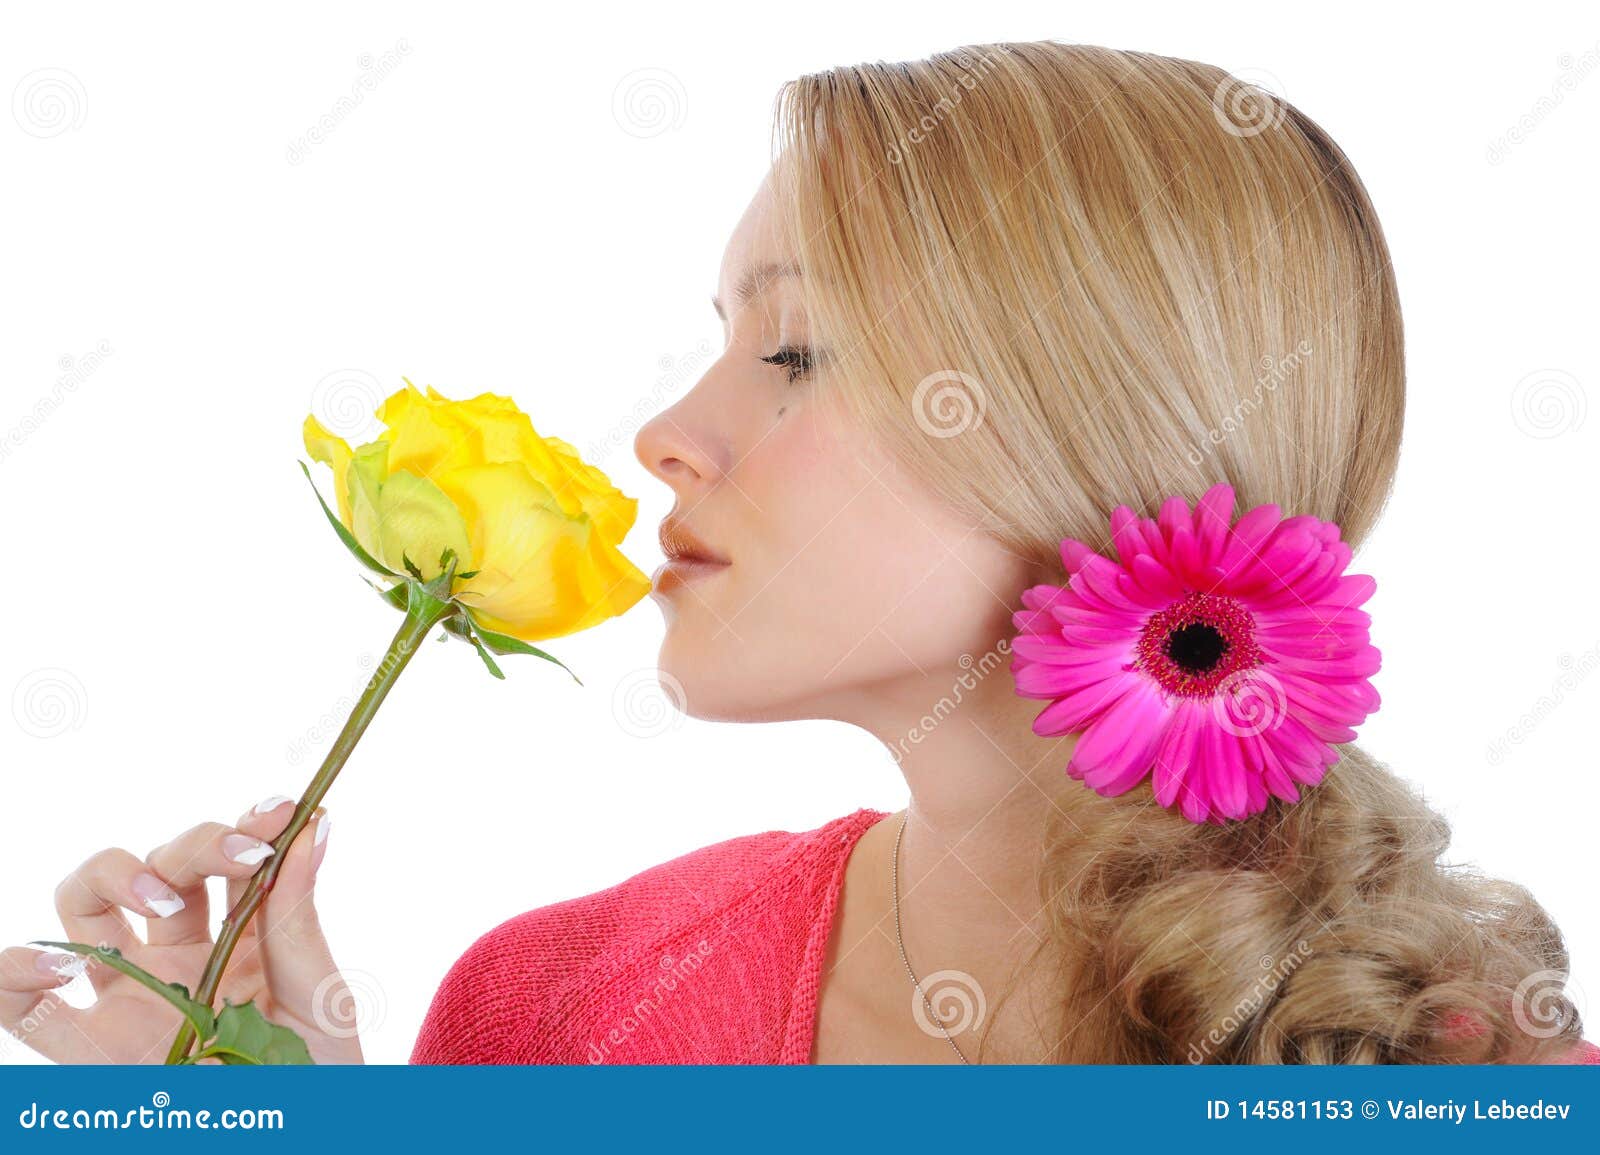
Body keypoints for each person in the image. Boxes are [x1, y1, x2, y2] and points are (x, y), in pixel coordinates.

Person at [5, 41, 1594, 1065]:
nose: (666, 436)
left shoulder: (1462, 1064)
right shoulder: (552, 1013)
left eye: (796, 354)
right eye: (721, 339)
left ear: (1113, 444)